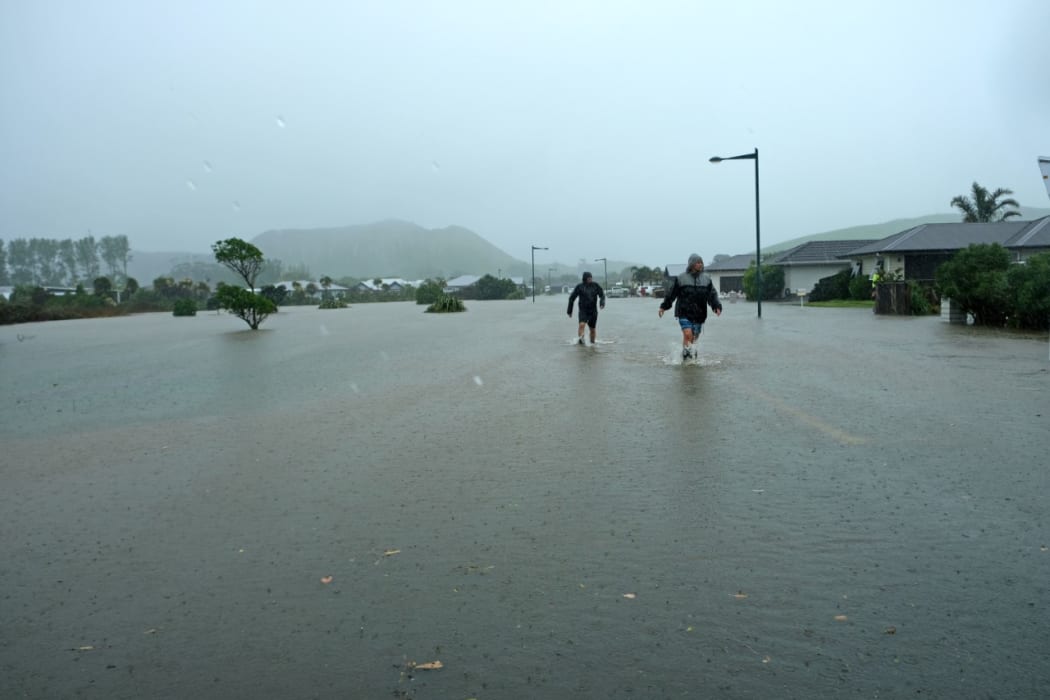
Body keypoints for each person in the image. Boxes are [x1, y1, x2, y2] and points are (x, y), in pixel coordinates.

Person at [658, 253, 722, 360]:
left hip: (699, 313)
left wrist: (716, 306)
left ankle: (691, 356)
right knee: (688, 334)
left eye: (701, 262)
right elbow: (671, 294)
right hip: (684, 312)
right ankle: (686, 357)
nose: (700, 264)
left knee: (694, 338)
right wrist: (663, 307)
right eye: (698, 262)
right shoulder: (681, 278)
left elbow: (712, 294)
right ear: (692, 264)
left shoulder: (706, 279)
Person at [567, 271, 606, 345]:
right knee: (582, 325)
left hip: (593, 311)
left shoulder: (595, 285)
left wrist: (602, 303)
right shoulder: (579, 287)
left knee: (592, 329)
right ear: (584, 279)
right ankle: (581, 343)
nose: (590, 279)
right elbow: (571, 298)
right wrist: (569, 311)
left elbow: (602, 295)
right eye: (588, 278)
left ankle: (592, 344)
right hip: (583, 310)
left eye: (591, 278)